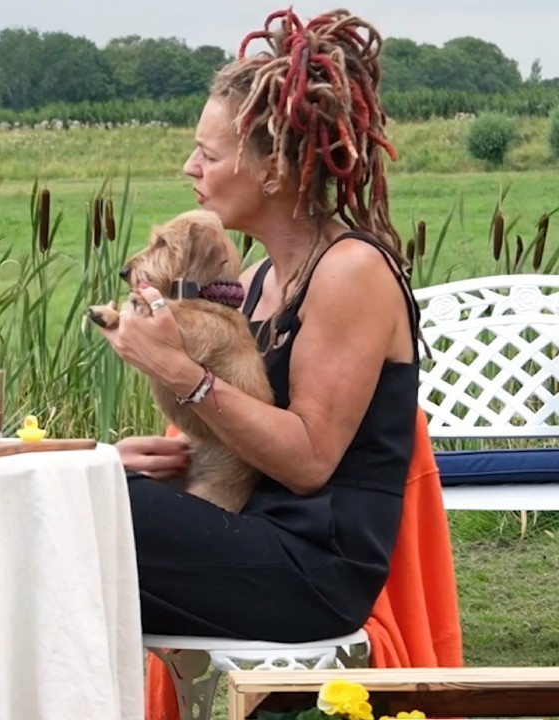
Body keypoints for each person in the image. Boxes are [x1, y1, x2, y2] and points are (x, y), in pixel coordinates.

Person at [99, 8, 421, 642]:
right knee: (84, 492)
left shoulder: (350, 271)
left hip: (310, 569)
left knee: (82, 514)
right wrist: (154, 458)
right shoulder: (252, 283)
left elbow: (307, 462)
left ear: (274, 170)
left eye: (208, 153)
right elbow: (238, 438)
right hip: (245, 535)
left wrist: (178, 371)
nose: (191, 168)